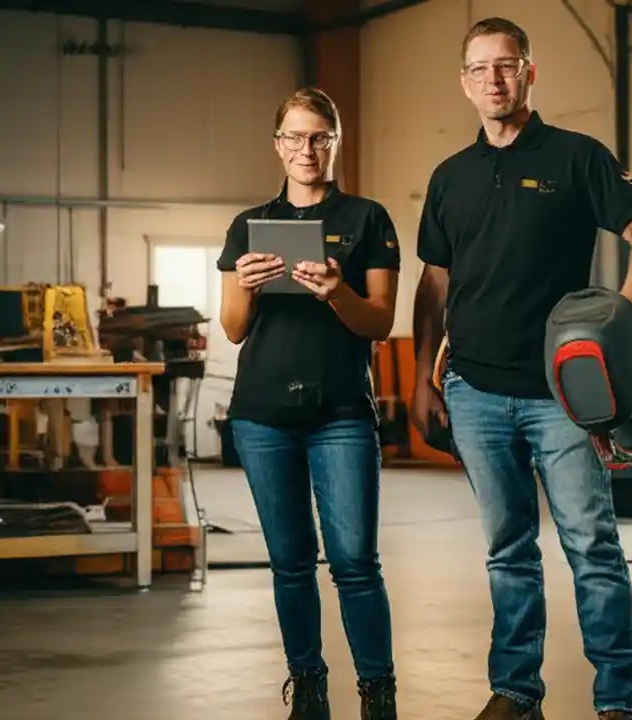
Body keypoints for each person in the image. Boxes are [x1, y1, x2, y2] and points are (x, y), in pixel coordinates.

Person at [409, 17, 632, 720]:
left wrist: (623, 317)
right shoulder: (449, 177)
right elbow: (434, 284)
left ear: (529, 72)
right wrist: (418, 378)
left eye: (506, 65)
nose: (493, 79)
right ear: (463, 82)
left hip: (562, 396)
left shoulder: (576, 157)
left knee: (592, 545)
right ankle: (516, 691)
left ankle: (618, 698)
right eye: (478, 68)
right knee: (507, 550)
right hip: (472, 389)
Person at [218, 87, 400, 720]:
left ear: (336, 141)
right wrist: (244, 284)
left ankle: (377, 693)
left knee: (354, 561)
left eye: (319, 136)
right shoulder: (247, 225)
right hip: (262, 413)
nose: (307, 149)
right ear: (277, 146)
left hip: (341, 414)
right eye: (294, 137)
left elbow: (379, 322)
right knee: (291, 563)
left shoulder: (369, 218)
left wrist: (335, 292)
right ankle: (310, 688)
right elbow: (235, 328)